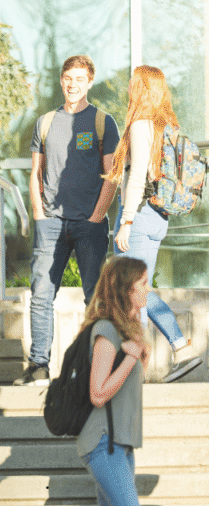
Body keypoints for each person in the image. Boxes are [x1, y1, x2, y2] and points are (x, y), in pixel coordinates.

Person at [16, 55, 121, 387]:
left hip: (89, 226)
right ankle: (39, 365)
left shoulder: (104, 122)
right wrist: (38, 213)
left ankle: (95, 366)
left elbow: (112, 175)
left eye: (79, 78)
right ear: (61, 80)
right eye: (67, 78)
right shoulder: (45, 122)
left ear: (89, 82)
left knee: (95, 298)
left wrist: (96, 216)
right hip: (51, 225)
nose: (72, 84)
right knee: (42, 294)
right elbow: (35, 172)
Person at [105, 65, 202, 383]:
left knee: (134, 293)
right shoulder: (167, 126)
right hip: (158, 217)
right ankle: (180, 347)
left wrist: (126, 221)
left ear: (139, 90)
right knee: (139, 290)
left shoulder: (141, 124)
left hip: (142, 214)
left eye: (134, 85)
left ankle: (135, 367)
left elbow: (137, 178)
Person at [78, 256, 150, 506]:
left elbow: (131, 385)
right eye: (143, 284)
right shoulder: (106, 331)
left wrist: (138, 354)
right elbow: (97, 393)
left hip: (119, 442)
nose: (148, 290)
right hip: (104, 442)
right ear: (126, 290)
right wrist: (128, 359)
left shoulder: (125, 330)